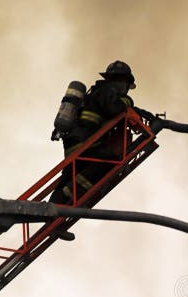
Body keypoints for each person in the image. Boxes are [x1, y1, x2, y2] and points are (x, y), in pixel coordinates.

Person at [50, 60, 138, 204]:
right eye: (127, 86)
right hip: (85, 143)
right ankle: (69, 193)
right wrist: (128, 101)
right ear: (123, 81)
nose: (126, 90)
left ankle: (52, 205)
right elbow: (113, 109)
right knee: (110, 162)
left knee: (70, 174)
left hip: (73, 143)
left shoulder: (96, 92)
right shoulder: (109, 90)